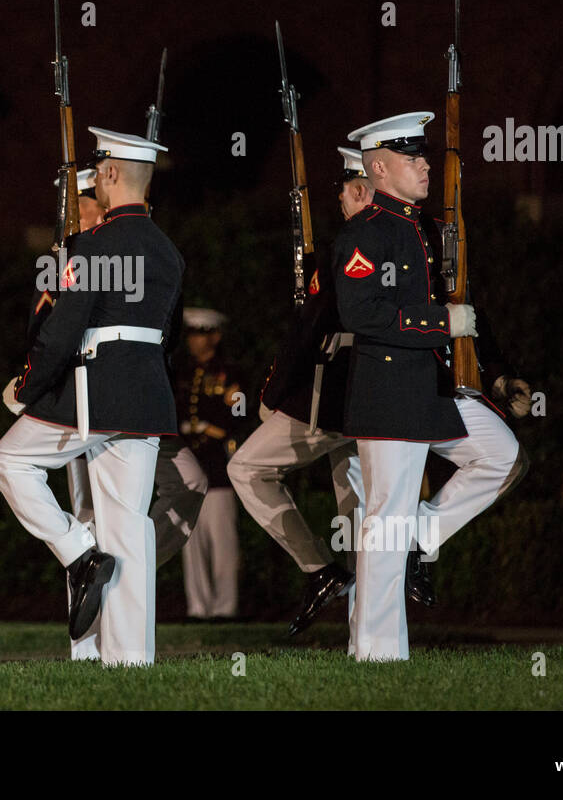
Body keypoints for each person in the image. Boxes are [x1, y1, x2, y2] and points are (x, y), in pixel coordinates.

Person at [333, 112, 528, 661]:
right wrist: (443, 323)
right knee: (385, 519)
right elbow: (362, 312)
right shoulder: (366, 233)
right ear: (378, 167)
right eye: (411, 157)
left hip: (428, 389)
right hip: (390, 389)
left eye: (422, 155)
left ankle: (424, 534)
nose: (424, 164)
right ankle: (375, 650)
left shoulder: (418, 229)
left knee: (501, 455)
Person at [0, 126, 184, 666]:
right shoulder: (168, 251)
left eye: (99, 173)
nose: (95, 182)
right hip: (146, 397)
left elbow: (61, 330)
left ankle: (77, 552)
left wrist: (27, 389)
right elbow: (166, 336)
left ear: (113, 174)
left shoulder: (98, 244)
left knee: (7, 461)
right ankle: (131, 658)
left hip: (94, 391)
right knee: (128, 523)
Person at [57, 170, 205, 659]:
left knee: (183, 488)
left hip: (138, 402)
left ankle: (121, 573)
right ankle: (87, 643)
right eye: (76, 210)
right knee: (87, 513)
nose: (82, 217)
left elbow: (168, 329)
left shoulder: (134, 251)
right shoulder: (75, 259)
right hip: (81, 399)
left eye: (87, 206)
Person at [228, 148, 372, 637]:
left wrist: (273, 392)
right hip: (381, 392)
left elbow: (307, 331)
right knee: (356, 505)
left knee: (245, 468)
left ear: (358, 190)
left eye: (345, 191)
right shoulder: (412, 238)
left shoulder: (348, 245)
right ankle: (366, 632)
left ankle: (318, 569)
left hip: (336, 394)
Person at [175, 307, 245, 620]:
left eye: (201, 333)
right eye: (191, 334)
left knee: (223, 543)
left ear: (215, 336)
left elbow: (237, 416)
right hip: (190, 466)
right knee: (191, 542)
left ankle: (225, 607)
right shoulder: (184, 373)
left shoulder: (229, 373)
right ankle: (198, 606)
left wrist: (208, 428)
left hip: (218, 469)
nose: (195, 340)